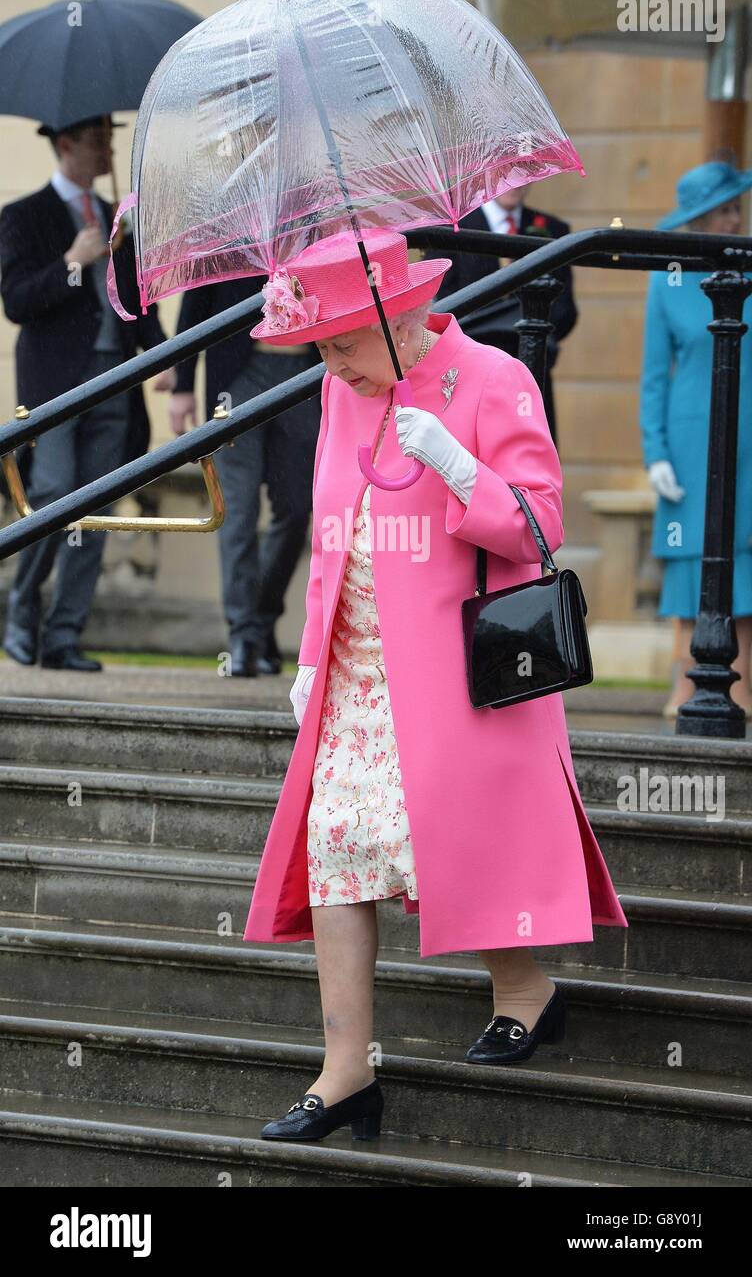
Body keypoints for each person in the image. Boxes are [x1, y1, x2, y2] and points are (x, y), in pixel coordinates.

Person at [241, 227, 628, 1143]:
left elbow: (539, 531)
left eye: (341, 338)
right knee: (338, 850)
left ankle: (526, 989)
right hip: (357, 670)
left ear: (398, 311)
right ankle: (345, 1074)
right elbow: (333, 531)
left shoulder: (493, 378)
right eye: (320, 344)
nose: (329, 361)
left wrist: (460, 467)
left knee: (447, 834)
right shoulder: (344, 391)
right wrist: (307, 657)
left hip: (460, 665)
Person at [0, 113, 164, 670]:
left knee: (95, 509)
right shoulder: (24, 216)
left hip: (113, 380)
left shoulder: (120, 220)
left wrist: (161, 354)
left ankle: (65, 635)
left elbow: (138, 305)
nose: (107, 153)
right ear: (65, 143)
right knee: (53, 497)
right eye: (98, 141)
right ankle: (22, 615)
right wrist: (72, 264)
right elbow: (18, 302)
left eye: (110, 141)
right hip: (54, 388)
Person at [157, 278, 321, 677]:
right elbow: (195, 306)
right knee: (239, 510)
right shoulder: (226, 230)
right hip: (236, 376)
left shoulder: (315, 227)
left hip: (305, 374)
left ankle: (261, 618)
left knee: (297, 510)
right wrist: (182, 384)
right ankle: (244, 633)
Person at [641, 160, 752, 719]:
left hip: (750, 431)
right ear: (699, 217)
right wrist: (654, 451)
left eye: (736, 207)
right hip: (690, 435)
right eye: (723, 209)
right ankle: (684, 685)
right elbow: (654, 374)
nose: (733, 218)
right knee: (689, 557)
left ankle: (746, 685)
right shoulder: (669, 274)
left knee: (746, 555)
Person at [421, 183, 577, 447]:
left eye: (524, 170)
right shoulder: (452, 229)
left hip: (530, 367)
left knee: (530, 453)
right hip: (471, 370)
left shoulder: (552, 230)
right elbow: (444, 304)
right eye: (507, 173)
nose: (516, 182)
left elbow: (565, 311)